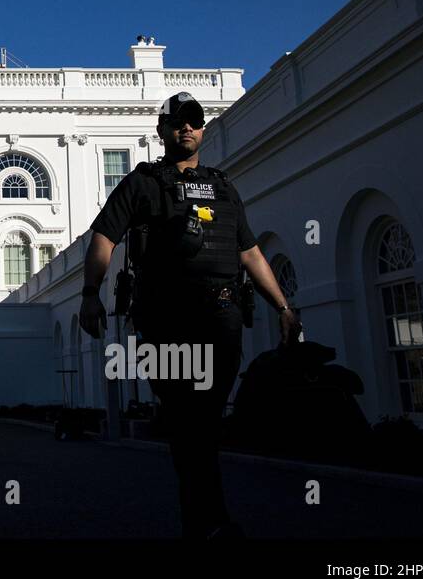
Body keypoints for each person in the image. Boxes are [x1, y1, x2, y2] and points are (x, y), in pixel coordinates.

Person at [79, 91, 298, 539]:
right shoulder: (141, 184)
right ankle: (209, 522)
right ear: (161, 130)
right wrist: (89, 294)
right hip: (167, 317)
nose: (186, 127)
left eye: (194, 120)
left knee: (203, 422)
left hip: (222, 316)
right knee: (190, 420)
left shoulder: (223, 186)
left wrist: (284, 306)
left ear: (203, 129)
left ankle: (204, 521)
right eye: (176, 121)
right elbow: (104, 238)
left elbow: (250, 252)